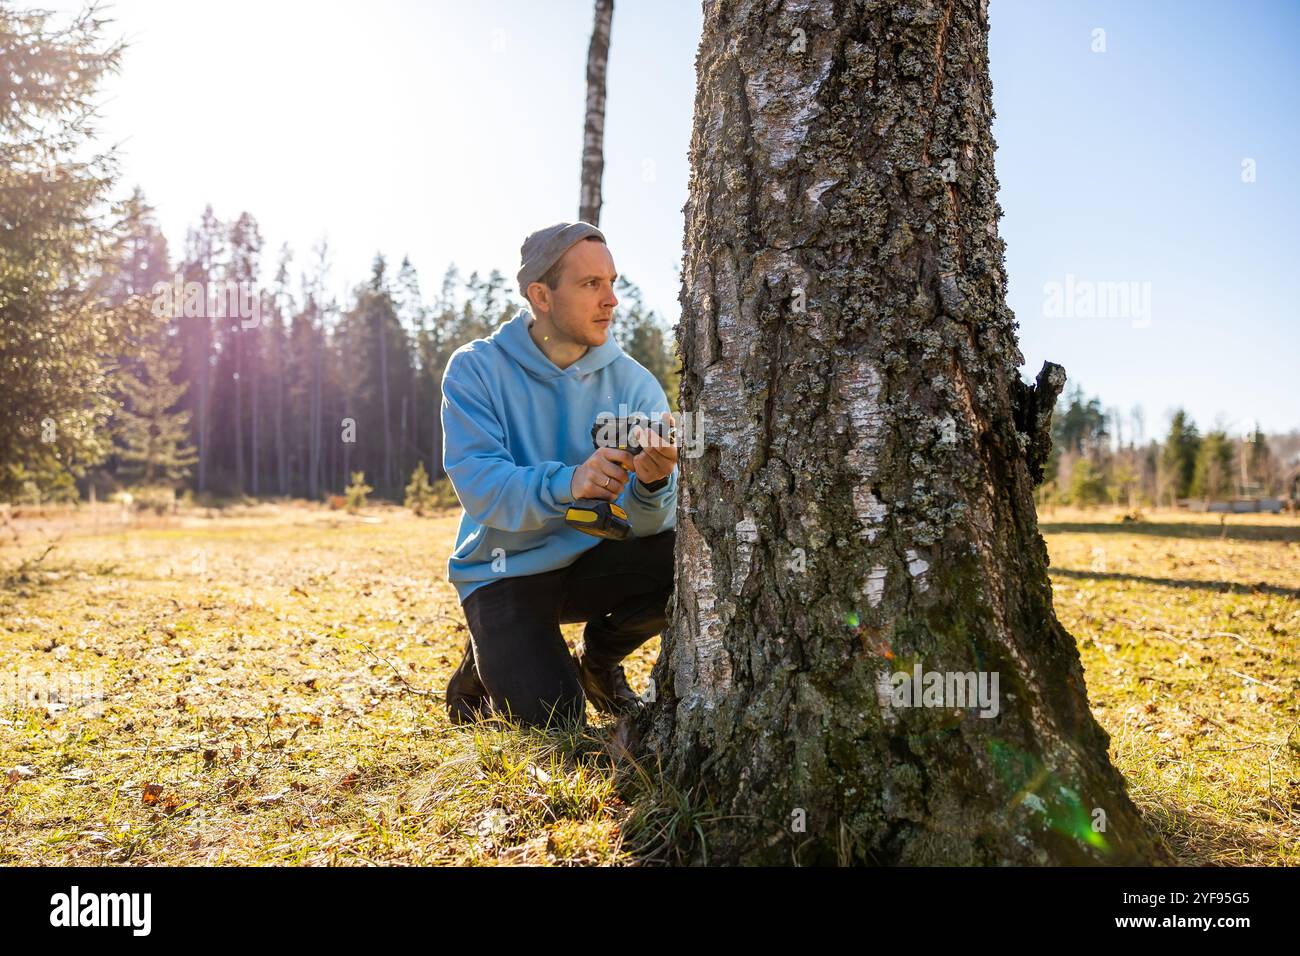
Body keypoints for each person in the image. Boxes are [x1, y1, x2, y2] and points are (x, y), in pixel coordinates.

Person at [440, 221, 678, 731]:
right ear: (540, 295)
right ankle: (486, 652)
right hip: (503, 570)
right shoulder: (476, 370)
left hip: (590, 561)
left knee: (683, 558)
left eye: (612, 282)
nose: (611, 300)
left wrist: (653, 487)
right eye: (591, 284)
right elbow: (483, 491)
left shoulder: (634, 384)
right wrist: (571, 482)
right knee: (556, 724)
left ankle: (599, 662)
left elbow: (647, 526)